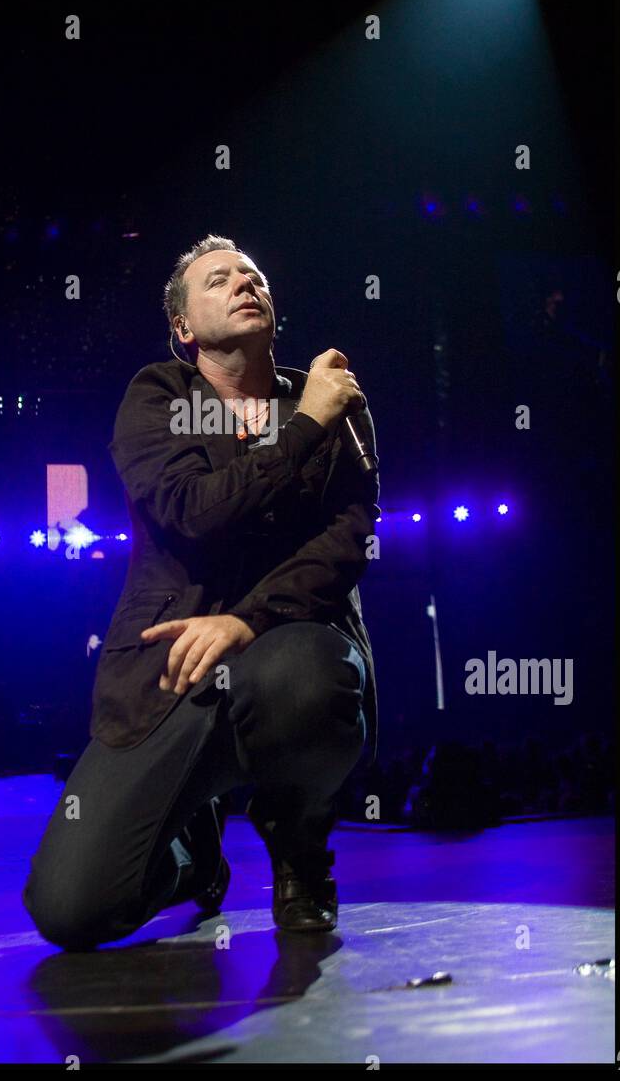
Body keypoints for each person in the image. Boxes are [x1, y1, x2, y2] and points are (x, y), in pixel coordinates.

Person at [22, 235, 380, 946]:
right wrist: (304, 427)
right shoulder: (157, 397)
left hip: (287, 659)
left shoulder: (333, 397)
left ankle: (299, 844)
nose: (245, 284)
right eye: (219, 280)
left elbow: (347, 541)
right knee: (70, 909)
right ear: (184, 329)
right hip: (170, 678)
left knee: (311, 678)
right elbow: (191, 509)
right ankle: (192, 860)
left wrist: (245, 623)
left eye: (254, 275)